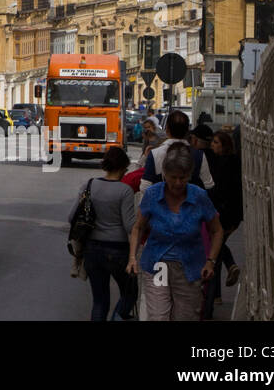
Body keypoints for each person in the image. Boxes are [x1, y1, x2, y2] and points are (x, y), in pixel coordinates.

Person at [129, 145, 224, 321]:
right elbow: (138, 227)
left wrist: (211, 261)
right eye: (174, 178)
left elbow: (217, 230)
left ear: (189, 176)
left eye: (183, 178)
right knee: (158, 316)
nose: (178, 183)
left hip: (189, 267)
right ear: (164, 173)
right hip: (158, 265)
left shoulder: (199, 197)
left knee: (185, 316)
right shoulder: (152, 194)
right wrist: (132, 258)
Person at [68, 146, 138, 321]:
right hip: (118, 250)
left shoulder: (89, 185)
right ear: (123, 167)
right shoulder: (125, 191)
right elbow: (130, 226)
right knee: (129, 292)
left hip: (92, 250)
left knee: (99, 301)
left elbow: (72, 217)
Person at [203, 130, 243, 317]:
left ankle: (212, 300)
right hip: (230, 215)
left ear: (224, 145)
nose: (213, 145)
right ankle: (229, 269)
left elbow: (223, 190)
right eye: (212, 142)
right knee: (216, 251)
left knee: (215, 251)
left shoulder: (225, 164)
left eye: (216, 142)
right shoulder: (231, 162)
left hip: (224, 215)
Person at [142, 110, 214, 189]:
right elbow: (208, 185)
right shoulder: (199, 155)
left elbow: (145, 187)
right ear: (187, 130)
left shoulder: (154, 153)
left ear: (167, 129)